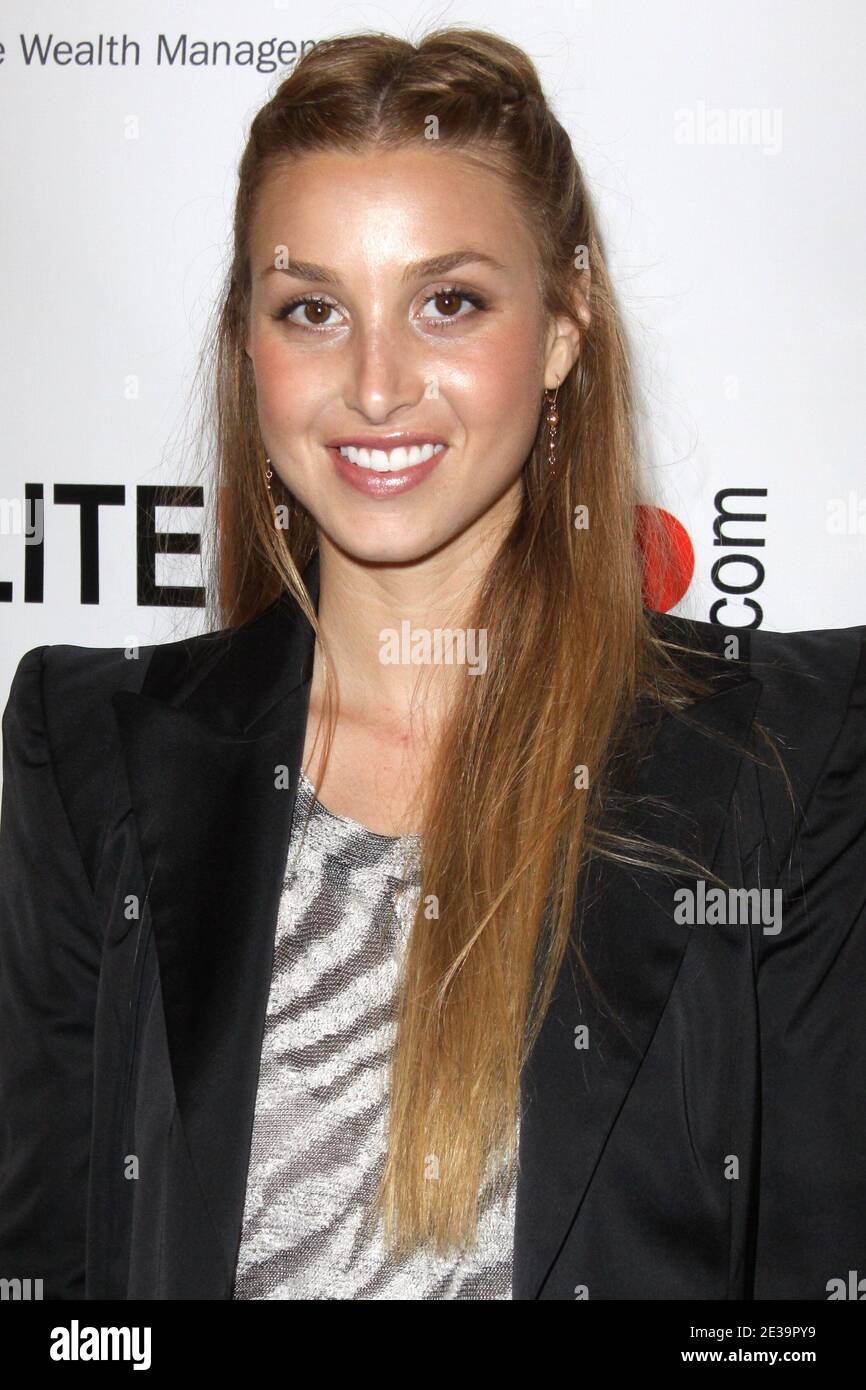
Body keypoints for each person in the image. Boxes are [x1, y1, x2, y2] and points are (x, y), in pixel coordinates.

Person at [0, 27, 864, 1302]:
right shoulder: (89, 747)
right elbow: (56, 1295)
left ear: (563, 330)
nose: (375, 383)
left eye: (446, 301)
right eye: (313, 310)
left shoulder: (787, 753)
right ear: (250, 344)